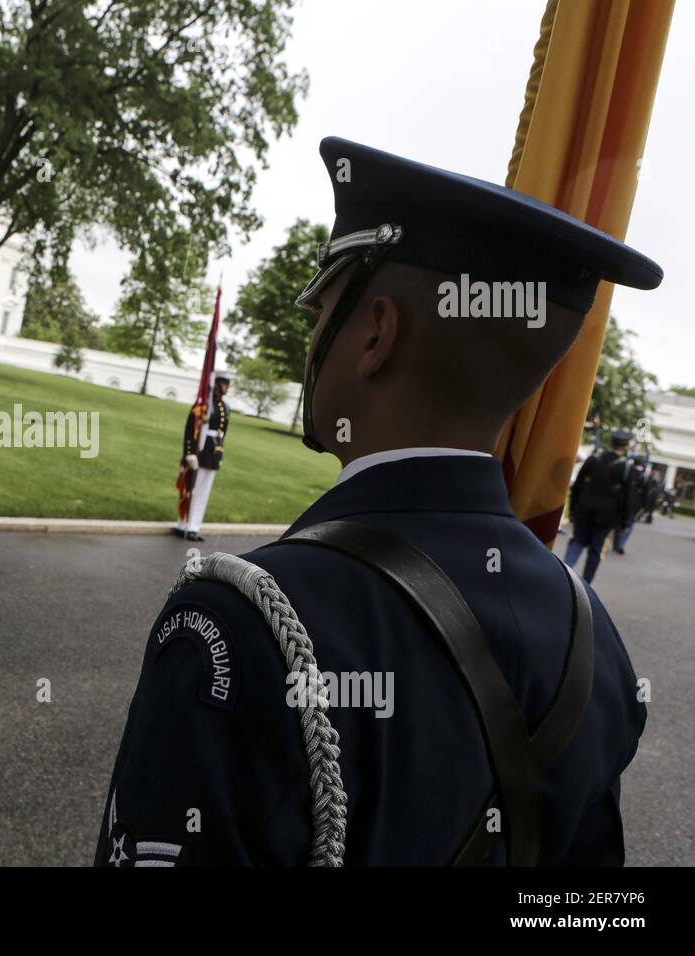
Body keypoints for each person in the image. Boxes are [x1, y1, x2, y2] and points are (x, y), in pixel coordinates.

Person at [96, 137, 660, 866]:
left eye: (323, 309)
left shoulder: (239, 626)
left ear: (374, 334)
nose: (309, 345)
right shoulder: (594, 635)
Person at [566, 432, 632, 577]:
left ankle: (564, 573)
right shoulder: (626, 468)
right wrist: (624, 522)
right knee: (595, 551)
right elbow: (626, 498)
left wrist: (572, 509)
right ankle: (586, 583)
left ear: (611, 443)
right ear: (625, 447)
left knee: (577, 542)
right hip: (606, 517)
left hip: (584, 510)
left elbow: (578, 486)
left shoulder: (593, 460)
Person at [177, 371, 231, 542]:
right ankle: (183, 524)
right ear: (216, 384)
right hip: (200, 451)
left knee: (204, 492)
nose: (227, 387)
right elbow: (190, 430)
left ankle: (194, 527)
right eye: (224, 383)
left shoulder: (225, 407)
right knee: (192, 488)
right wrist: (189, 453)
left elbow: (223, 434)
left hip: (213, 453)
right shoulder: (203, 405)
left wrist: (220, 455)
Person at [611, 456, 649, 555]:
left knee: (619, 523)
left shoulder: (627, 471)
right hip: (634, 507)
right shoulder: (643, 476)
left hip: (620, 503)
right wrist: (644, 508)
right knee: (628, 526)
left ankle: (616, 543)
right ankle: (620, 544)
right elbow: (645, 494)